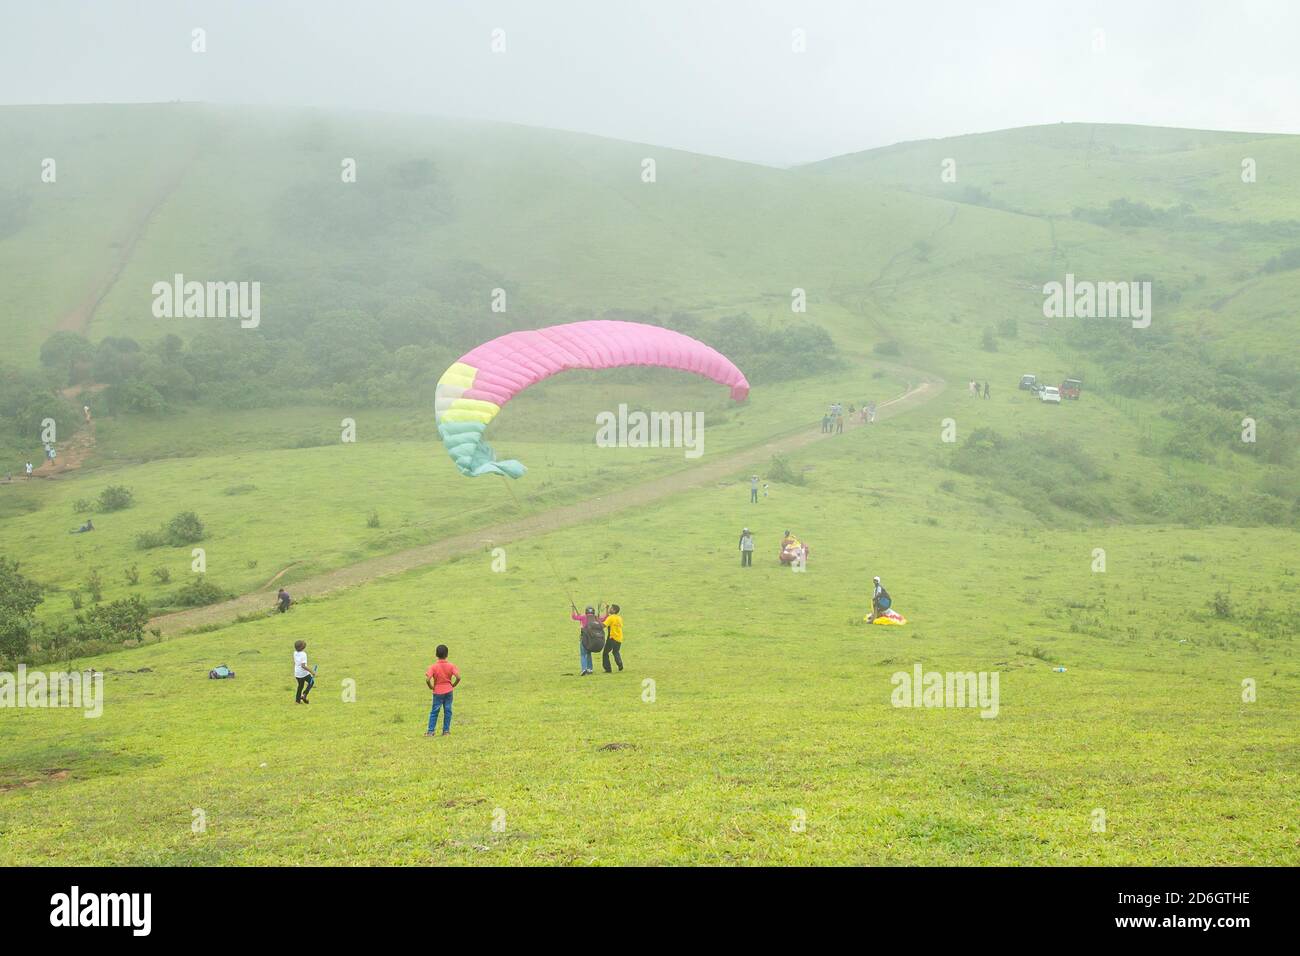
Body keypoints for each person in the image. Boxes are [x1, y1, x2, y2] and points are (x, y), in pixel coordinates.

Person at [424, 644, 461, 736]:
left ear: (436, 654)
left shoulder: (433, 667)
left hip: (438, 691)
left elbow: (428, 679)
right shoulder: (451, 666)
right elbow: (458, 677)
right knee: (448, 710)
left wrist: (430, 686)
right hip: (449, 691)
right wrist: (453, 685)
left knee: (434, 711)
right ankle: (446, 731)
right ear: (447, 654)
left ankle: (431, 731)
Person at [571, 604, 607, 676]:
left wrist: (573, 609)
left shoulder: (583, 617)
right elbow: (605, 618)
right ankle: (590, 669)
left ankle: (584, 669)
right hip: (593, 640)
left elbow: (574, 617)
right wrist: (607, 609)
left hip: (584, 638)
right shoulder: (596, 618)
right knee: (588, 653)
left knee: (583, 654)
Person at [602, 604, 624, 673]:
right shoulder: (619, 618)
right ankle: (620, 664)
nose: (609, 609)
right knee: (615, 652)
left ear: (614, 610)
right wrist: (606, 609)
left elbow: (603, 625)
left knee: (605, 653)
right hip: (619, 638)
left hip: (612, 637)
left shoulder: (611, 617)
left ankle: (608, 669)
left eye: (611, 608)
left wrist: (596, 624)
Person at [293, 640, 315, 704]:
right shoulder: (303, 654)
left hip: (297, 673)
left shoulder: (295, 653)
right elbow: (303, 666)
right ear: (302, 647)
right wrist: (312, 672)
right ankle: (304, 694)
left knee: (300, 686)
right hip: (303, 673)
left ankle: (297, 701)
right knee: (311, 682)